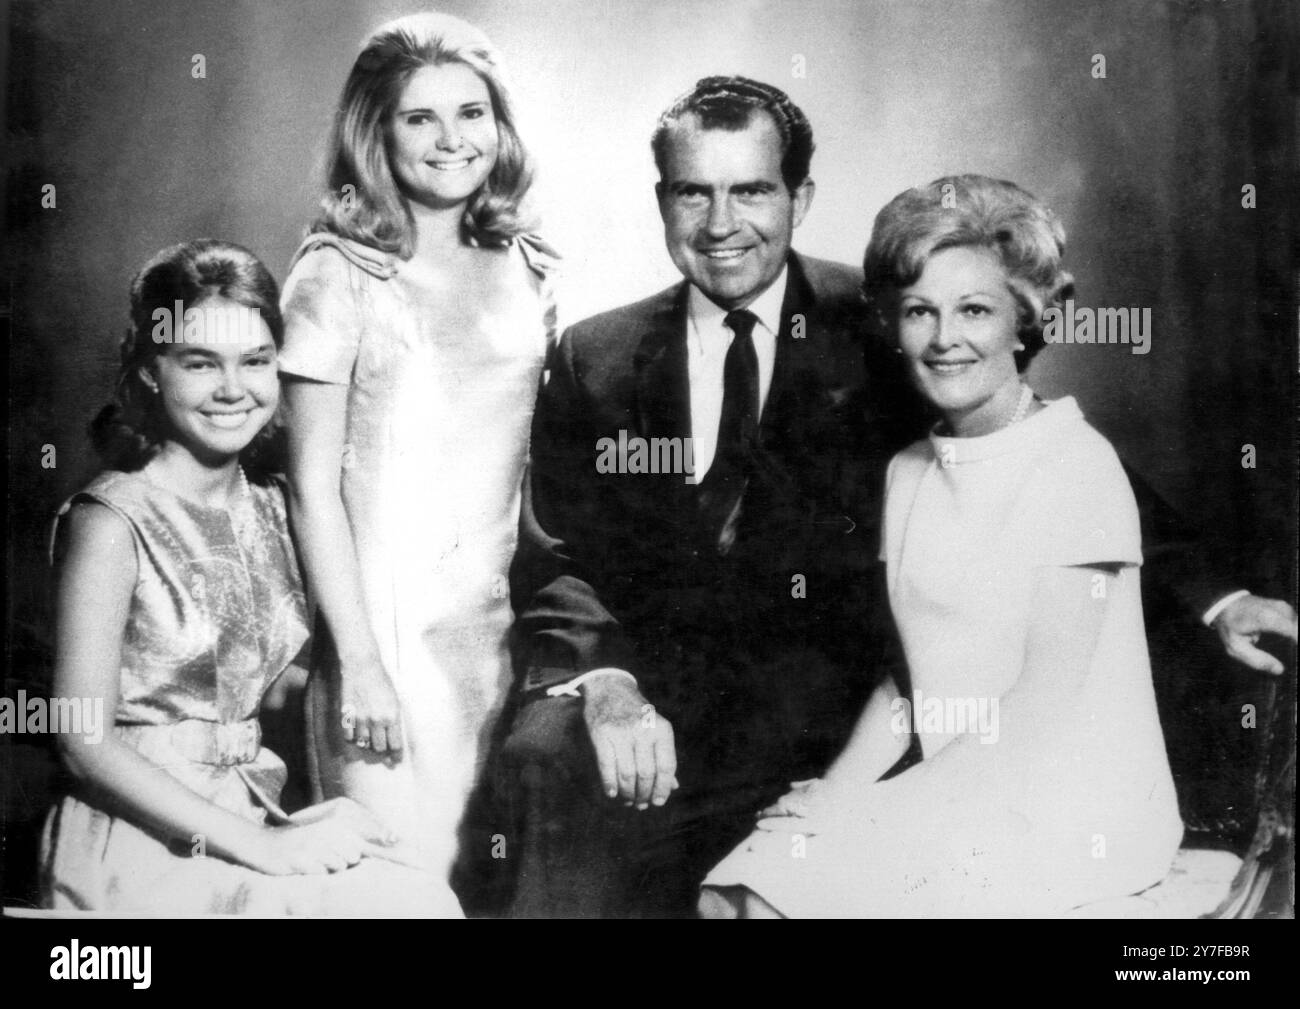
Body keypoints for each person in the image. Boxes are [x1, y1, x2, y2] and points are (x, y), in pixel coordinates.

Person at [498, 79, 1296, 919]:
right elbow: (557, 550)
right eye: (694, 191)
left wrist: (1218, 596)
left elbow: (1048, 473)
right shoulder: (597, 353)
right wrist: (609, 684)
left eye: (753, 190)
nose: (722, 223)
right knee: (546, 760)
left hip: (821, 704)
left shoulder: (878, 321)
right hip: (660, 698)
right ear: (662, 200)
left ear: (800, 197)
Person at [698, 176, 1191, 916]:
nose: (944, 338)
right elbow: (907, 685)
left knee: (783, 902)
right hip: (954, 784)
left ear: (1025, 321)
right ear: (894, 327)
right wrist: (837, 793)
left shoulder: (1077, 466)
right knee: (734, 889)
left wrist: (871, 813)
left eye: (975, 310)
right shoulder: (908, 470)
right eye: (920, 312)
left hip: (1073, 808)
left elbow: (1039, 712)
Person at [40, 239, 440, 914]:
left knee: (416, 893)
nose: (234, 389)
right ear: (149, 370)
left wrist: (297, 824)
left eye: (256, 361)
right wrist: (266, 848)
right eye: (201, 363)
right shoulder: (110, 521)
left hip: (247, 814)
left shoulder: (280, 509)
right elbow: (82, 743)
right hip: (135, 843)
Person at [278, 11, 556, 910]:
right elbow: (310, 485)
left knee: (493, 891)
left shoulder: (530, 266)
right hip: (387, 646)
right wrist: (358, 660)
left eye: (471, 113)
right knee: (399, 898)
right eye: (418, 118)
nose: (450, 140)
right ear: (376, 131)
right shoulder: (335, 272)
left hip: (499, 640)